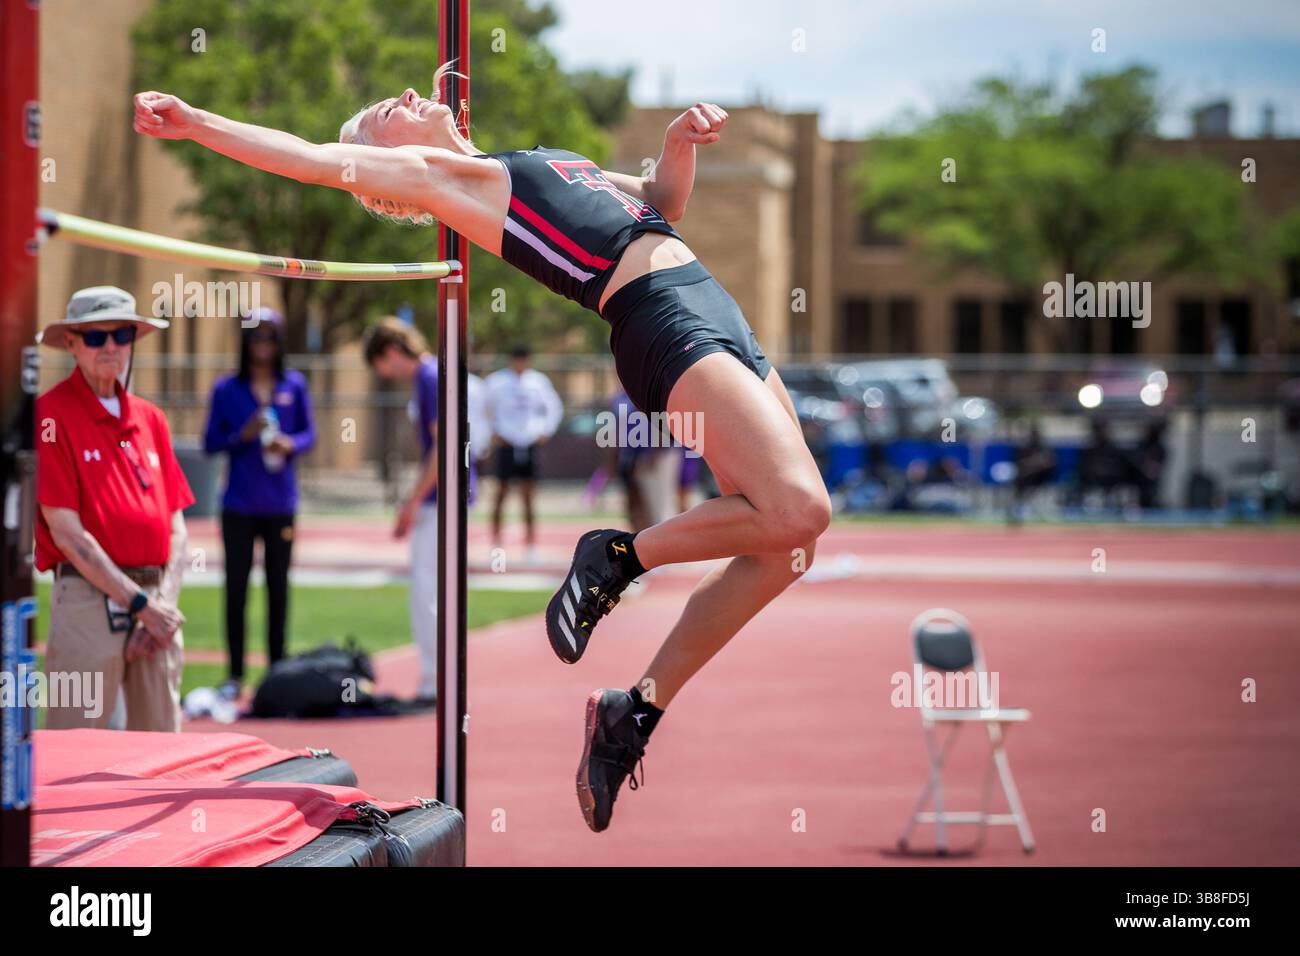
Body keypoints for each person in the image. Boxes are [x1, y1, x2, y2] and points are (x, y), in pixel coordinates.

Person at [132, 69, 831, 832]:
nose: (398, 100)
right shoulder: (446, 182)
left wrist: (674, 146)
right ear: (390, 178)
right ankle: (620, 557)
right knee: (798, 506)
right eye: (378, 117)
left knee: (788, 543)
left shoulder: (528, 160)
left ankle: (633, 712)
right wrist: (198, 120)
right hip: (662, 322)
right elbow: (308, 158)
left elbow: (658, 203)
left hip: (712, 304)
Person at [34, 286, 194, 731]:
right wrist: (141, 604)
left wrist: (161, 604)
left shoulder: (150, 417)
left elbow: (176, 525)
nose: (110, 346)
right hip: (88, 600)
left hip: (155, 601)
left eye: (121, 334)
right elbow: (67, 533)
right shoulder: (50, 416)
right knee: (75, 749)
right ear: (71, 342)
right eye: (95, 336)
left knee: (162, 752)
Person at [203, 308, 316, 700]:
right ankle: (235, 673)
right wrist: (243, 434)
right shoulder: (226, 389)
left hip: (280, 503)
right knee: (236, 589)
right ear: (245, 341)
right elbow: (210, 443)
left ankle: (277, 671)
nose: (263, 345)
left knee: (278, 587)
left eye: (270, 337)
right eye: (256, 336)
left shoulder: (295, 385)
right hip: (238, 504)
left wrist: (291, 444)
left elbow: (309, 434)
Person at [362, 317, 476, 705]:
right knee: (436, 589)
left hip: (442, 498)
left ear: (391, 352)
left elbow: (441, 446)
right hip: (448, 494)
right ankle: (440, 678)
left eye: (382, 366)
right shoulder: (435, 373)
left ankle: (434, 681)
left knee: (428, 590)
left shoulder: (429, 376)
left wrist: (411, 503)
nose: (386, 375)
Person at [483, 345, 563, 562]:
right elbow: (484, 408)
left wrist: (545, 431)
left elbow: (553, 407)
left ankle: (531, 545)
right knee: (501, 493)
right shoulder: (497, 382)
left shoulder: (537, 382)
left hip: (529, 444)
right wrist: (494, 433)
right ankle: (496, 544)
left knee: (528, 496)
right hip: (506, 444)